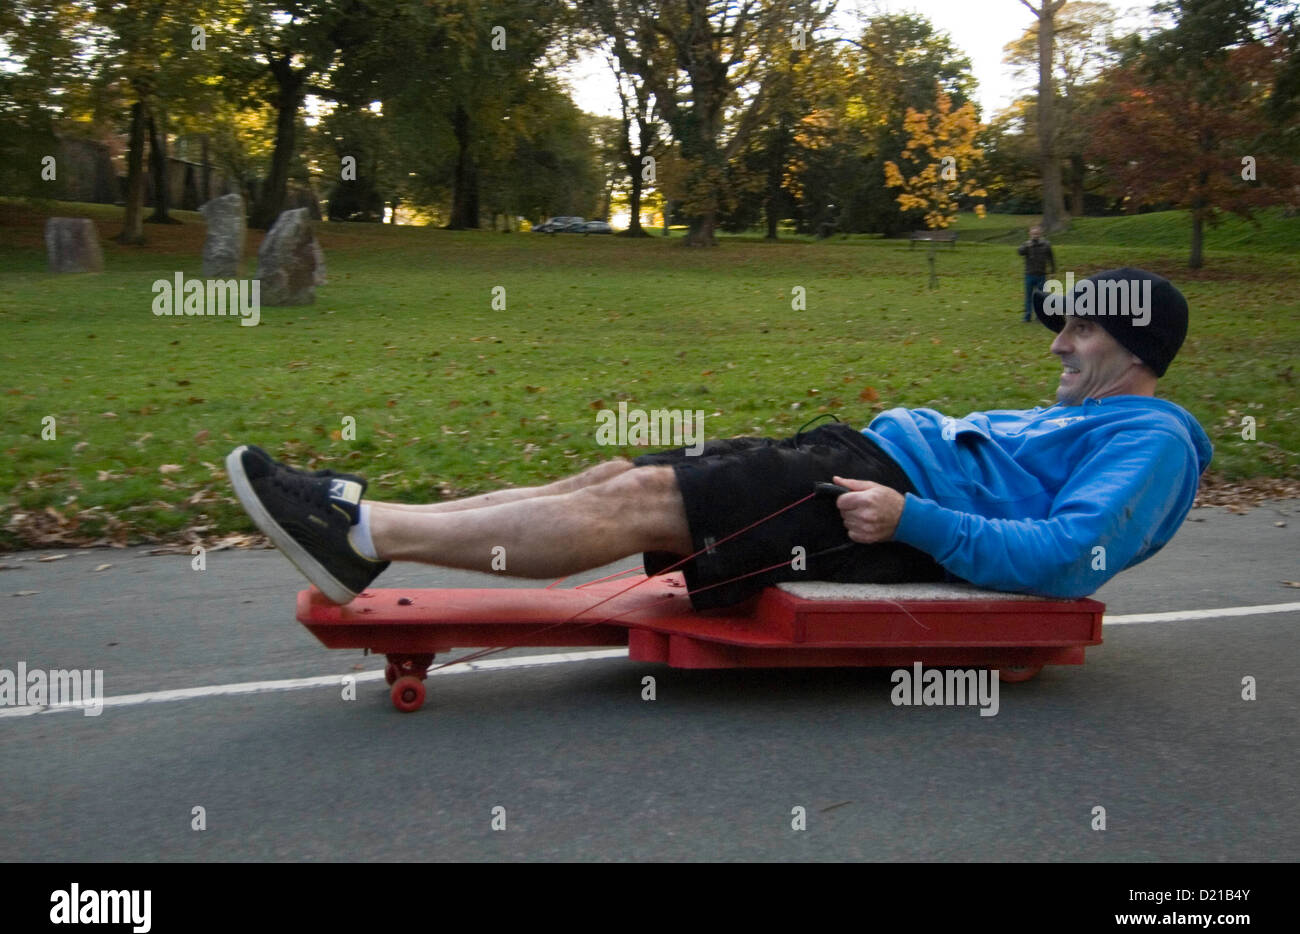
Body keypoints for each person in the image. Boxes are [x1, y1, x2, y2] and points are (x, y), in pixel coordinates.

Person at [226, 267, 1211, 610]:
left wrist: (916, 515)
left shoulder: (1153, 439)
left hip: (877, 503)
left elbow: (1064, 558)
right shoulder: (1087, 413)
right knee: (622, 472)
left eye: (1078, 328)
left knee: (638, 505)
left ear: (1131, 345)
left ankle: (360, 530)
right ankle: (367, 522)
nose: (1059, 343)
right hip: (858, 458)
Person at [1018, 225, 1056, 322]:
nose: (1035, 235)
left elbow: (1051, 258)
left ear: (1040, 234)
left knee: (1040, 297)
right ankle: (1027, 316)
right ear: (1030, 234)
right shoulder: (1027, 245)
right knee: (1028, 297)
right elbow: (1020, 252)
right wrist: (1026, 245)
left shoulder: (1046, 244)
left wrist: (1052, 271)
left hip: (1041, 275)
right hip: (1029, 274)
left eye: (1037, 233)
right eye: (1033, 233)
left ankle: (1039, 317)